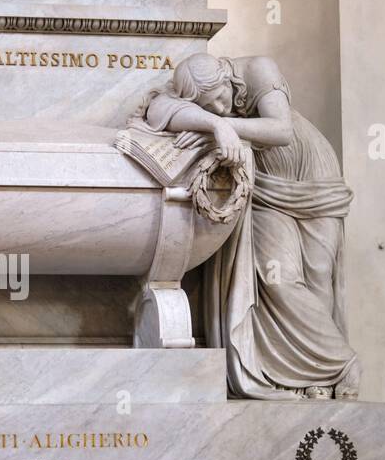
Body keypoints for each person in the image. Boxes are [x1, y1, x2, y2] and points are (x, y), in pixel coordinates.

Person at [141, 52, 360, 400]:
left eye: (220, 97)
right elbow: (157, 110)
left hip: (313, 175)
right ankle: (341, 362)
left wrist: (223, 127)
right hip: (264, 186)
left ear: (226, 76)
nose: (220, 108)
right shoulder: (203, 101)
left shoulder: (258, 68)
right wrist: (214, 126)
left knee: (318, 275)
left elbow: (281, 130)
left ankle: (318, 375)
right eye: (209, 107)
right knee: (280, 279)